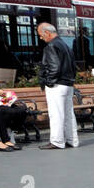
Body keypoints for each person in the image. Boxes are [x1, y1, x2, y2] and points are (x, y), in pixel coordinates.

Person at [36, 22, 78, 150]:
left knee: (56, 114)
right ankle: (72, 140)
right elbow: (73, 66)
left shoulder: (52, 46)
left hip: (57, 85)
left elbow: (54, 67)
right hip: (68, 84)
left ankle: (57, 141)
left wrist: (49, 82)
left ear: (47, 33)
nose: (41, 38)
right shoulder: (65, 45)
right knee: (68, 113)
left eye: (41, 35)